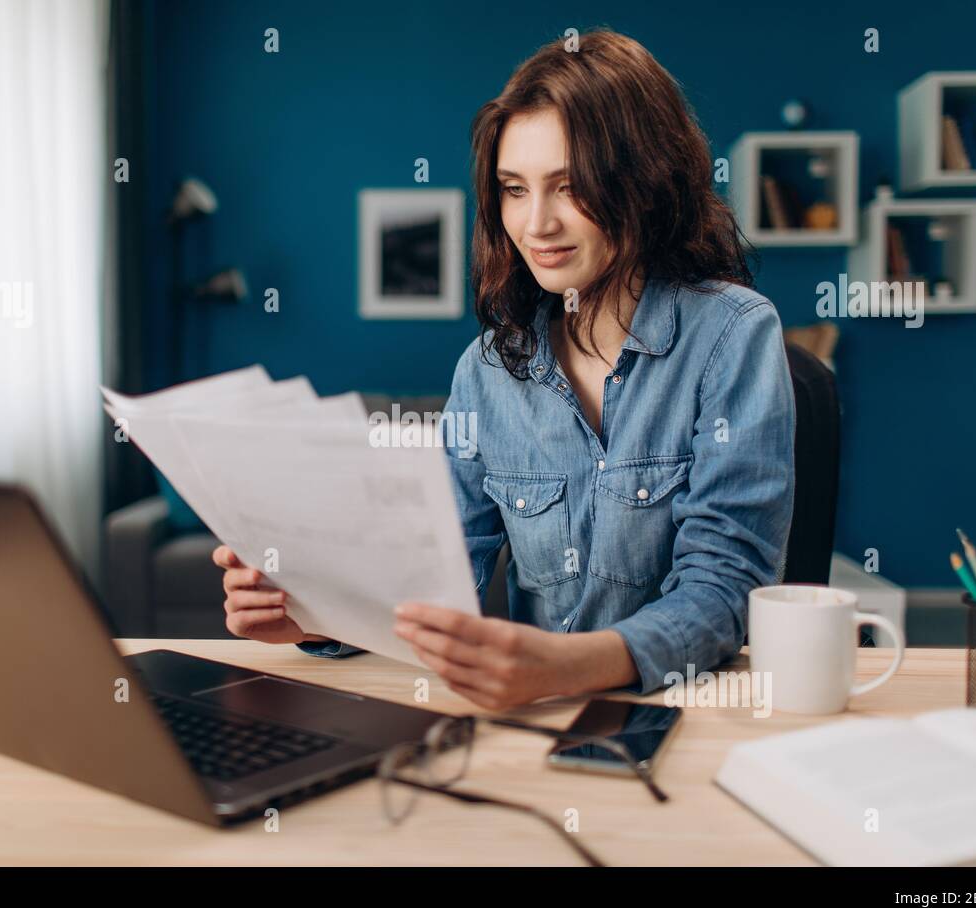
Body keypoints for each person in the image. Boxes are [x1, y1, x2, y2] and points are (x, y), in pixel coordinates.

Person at [213, 30, 794, 711]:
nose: (536, 224)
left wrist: (566, 665)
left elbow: (723, 591)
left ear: (644, 182)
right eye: (515, 190)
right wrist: (315, 617)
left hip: (689, 716)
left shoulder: (734, 334)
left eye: (569, 187)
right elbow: (435, 576)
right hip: (536, 719)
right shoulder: (487, 369)